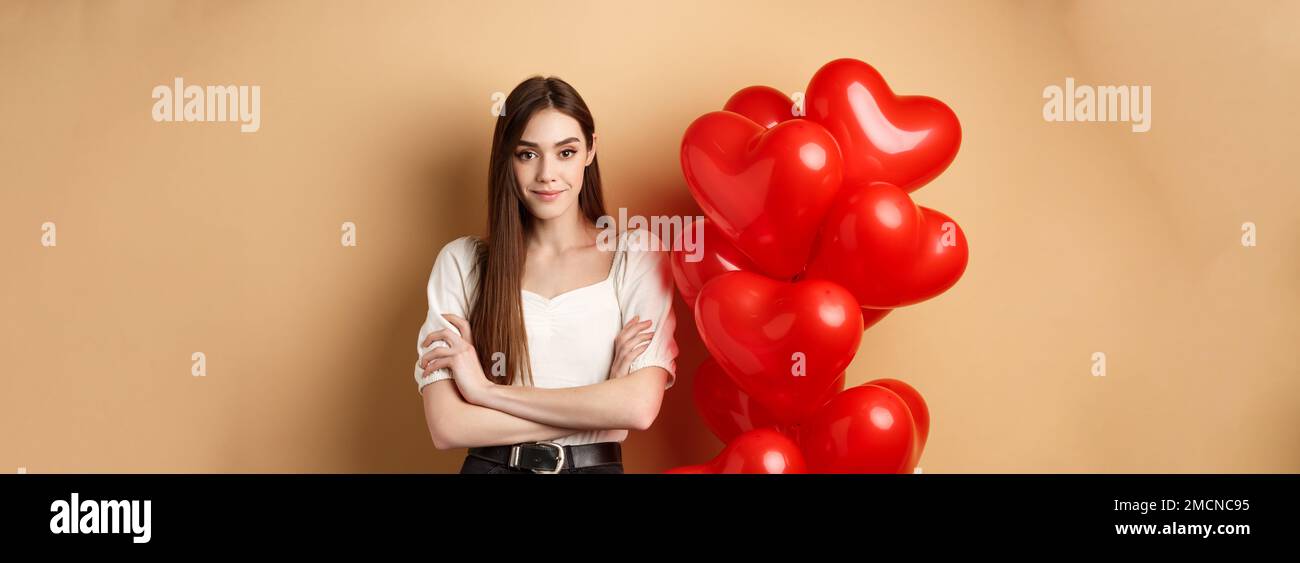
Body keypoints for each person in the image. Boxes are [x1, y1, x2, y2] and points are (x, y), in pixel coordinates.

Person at [413, 75, 679, 474]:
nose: (547, 175)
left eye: (566, 152)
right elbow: (448, 426)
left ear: (591, 150)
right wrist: (602, 411)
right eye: (527, 154)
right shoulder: (462, 263)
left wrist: (484, 391)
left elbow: (638, 408)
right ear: (507, 158)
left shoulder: (636, 253)